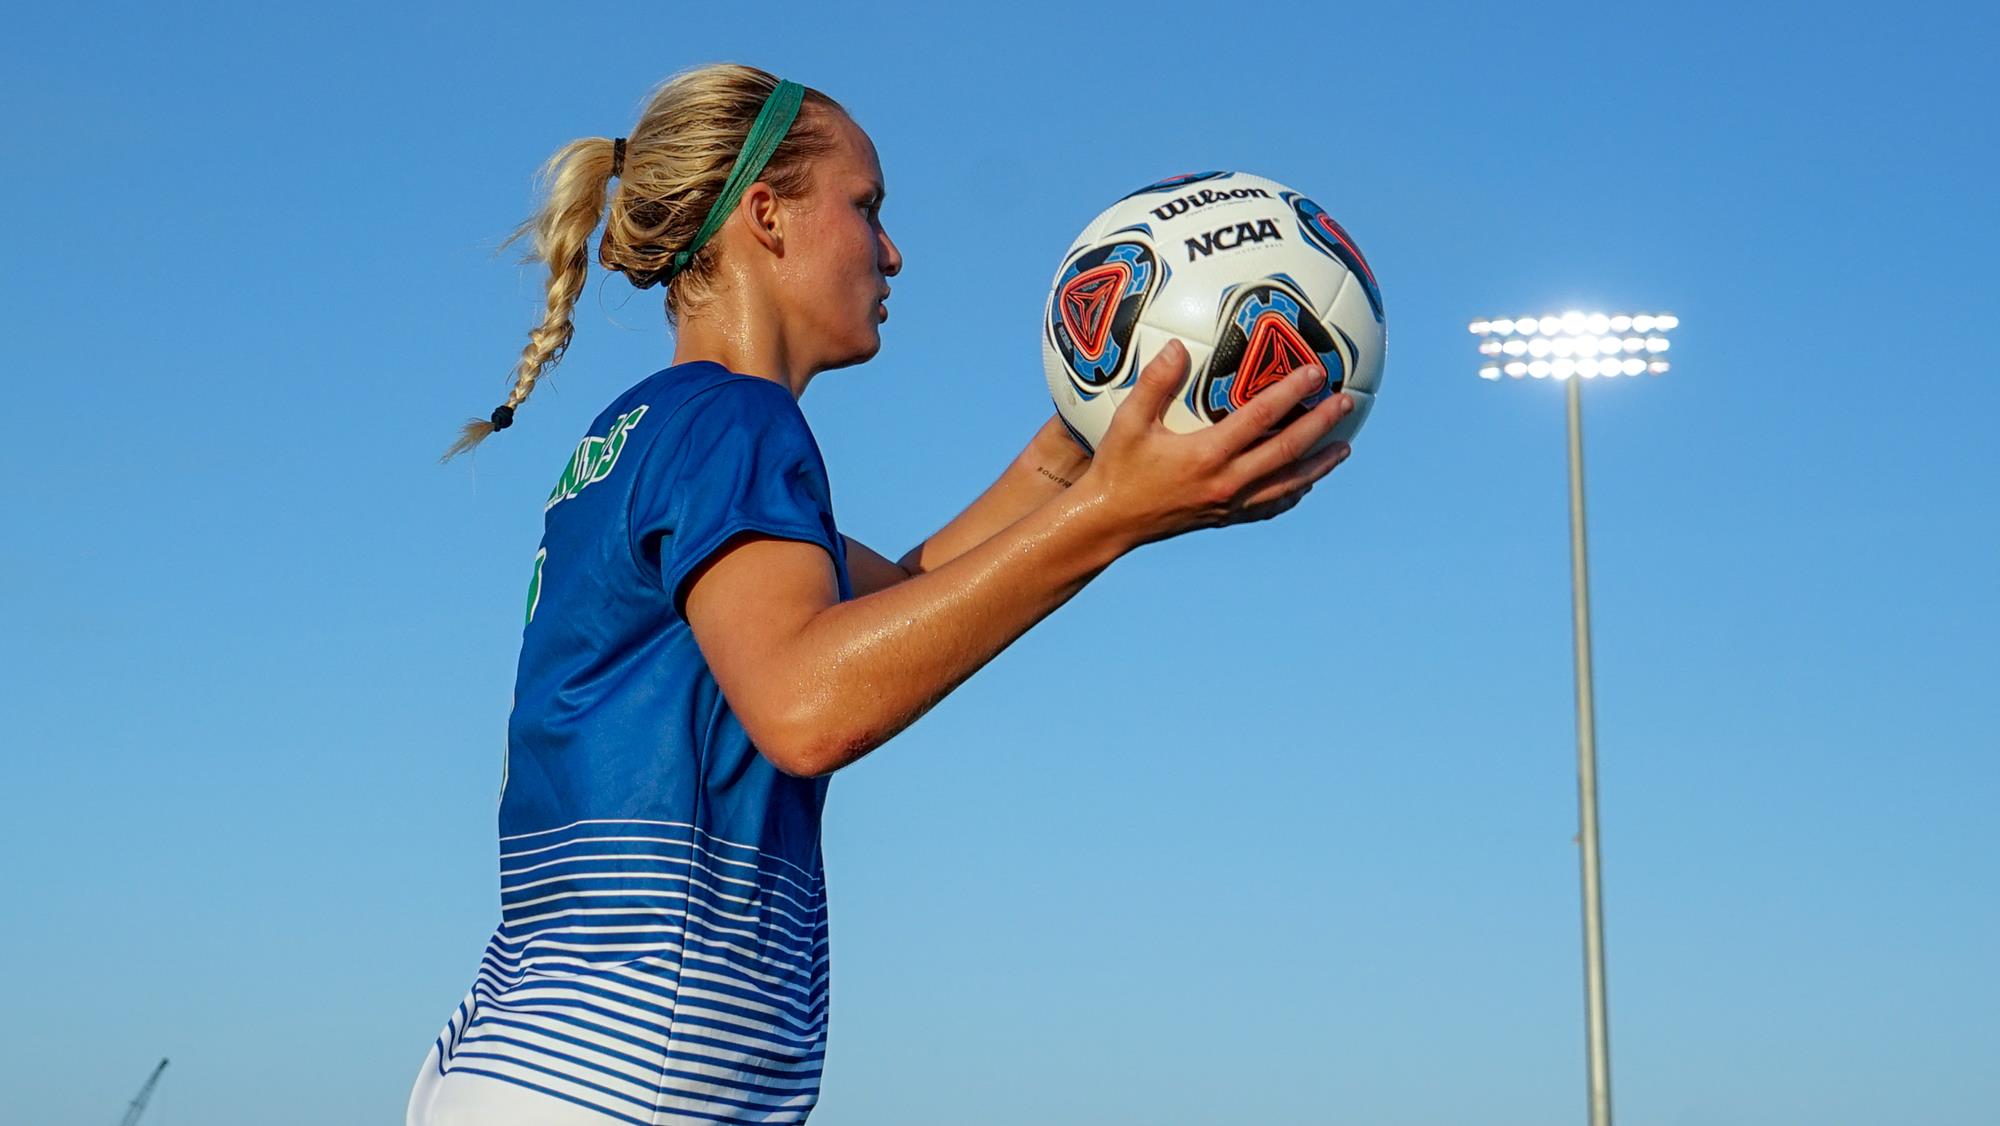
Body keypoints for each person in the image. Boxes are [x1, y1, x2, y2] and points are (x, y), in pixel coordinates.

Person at [408, 64, 1354, 1126]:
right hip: (614, 1081)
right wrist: (1112, 517)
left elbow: (902, 596)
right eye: (866, 208)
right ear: (765, 215)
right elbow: (806, 701)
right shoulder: (734, 423)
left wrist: (1075, 457)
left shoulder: (648, 431)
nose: (890, 249)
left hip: (528, 1063)